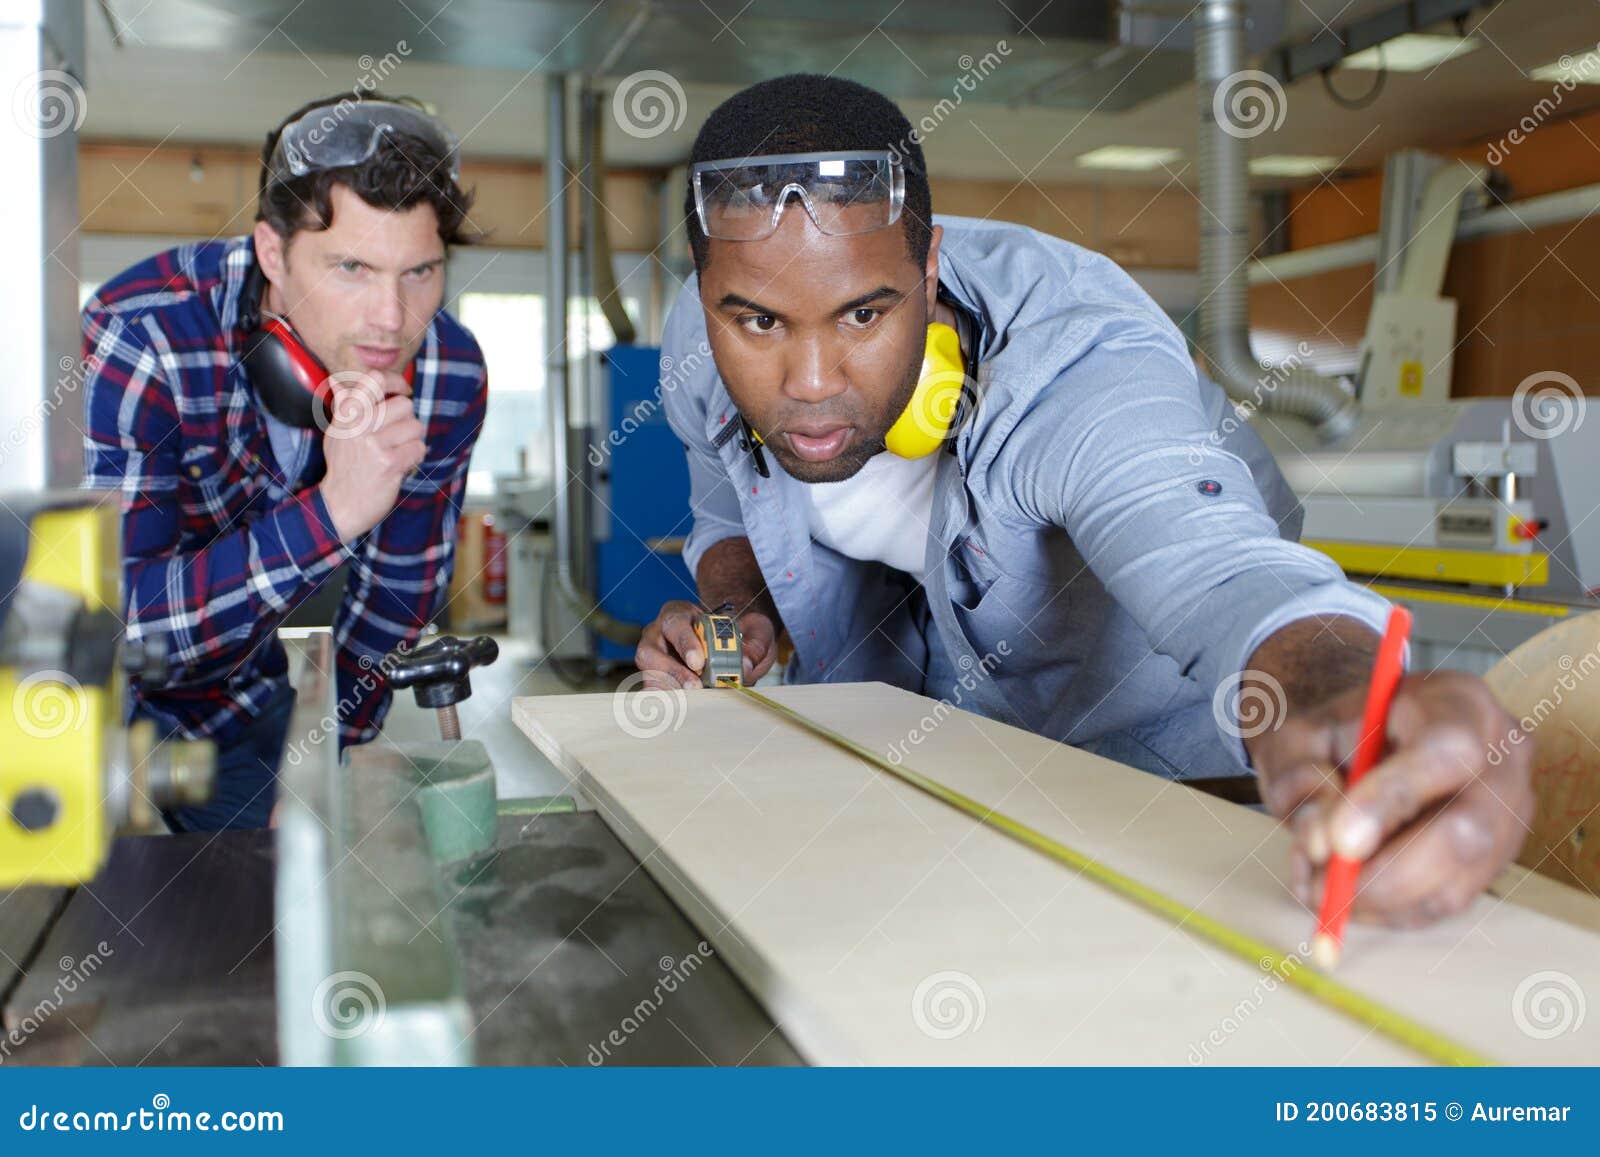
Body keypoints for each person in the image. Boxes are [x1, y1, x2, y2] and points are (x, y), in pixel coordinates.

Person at [635, 74, 1532, 928]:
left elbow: (1229, 578)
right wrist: (737, 616)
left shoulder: (1080, 370)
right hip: (932, 769)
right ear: (707, 292)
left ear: (931, 265)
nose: (811, 382)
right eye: (756, 321)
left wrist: (1348, 696)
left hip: (1159, 797)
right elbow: (728, 513)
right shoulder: (696, 334)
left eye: (864, 314)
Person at [82, 93, 487, 831]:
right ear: (273, 252)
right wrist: (330, 515)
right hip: (98, 714)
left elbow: (395, 596)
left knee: (283, 911)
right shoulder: (145, 336)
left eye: (420, 273)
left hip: (246, 700)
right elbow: (115, 627)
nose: (392, 321)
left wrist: (327, 753)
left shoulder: (448, 370)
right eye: (353, 268)